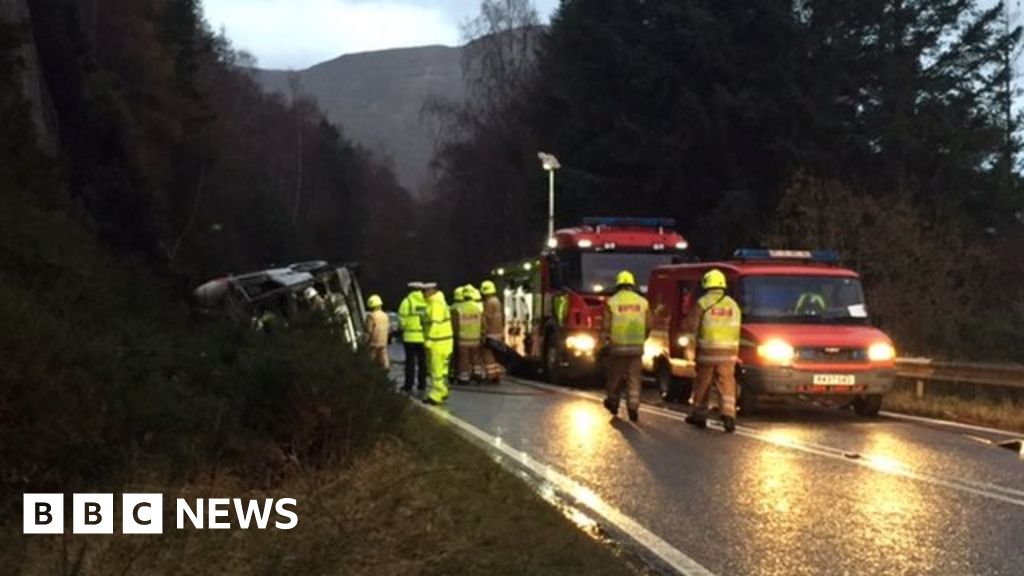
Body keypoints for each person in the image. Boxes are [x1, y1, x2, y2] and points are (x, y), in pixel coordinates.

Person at [683, 269, 742, 433]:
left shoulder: (702, 303)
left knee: (703, 383)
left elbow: (691, 326)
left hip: (707, 352)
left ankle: (699, 415)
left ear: (706, 284)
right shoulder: (733, 305)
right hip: (729, 353)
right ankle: (729, 415)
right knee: (727, 383)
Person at [601, 270, 651, 423]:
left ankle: (613, 401)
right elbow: (649, 324)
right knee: (634, 378)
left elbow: (606, 326)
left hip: (617, 346)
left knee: (615, 376)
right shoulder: (643, 302)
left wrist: (605, 341)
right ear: (632, 285)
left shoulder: (612, 302)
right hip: (636, 347)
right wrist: (643, 338)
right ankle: (633, 407)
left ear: (618, 286)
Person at [422, 283, 454, 405]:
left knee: (436, 370)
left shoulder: (435, 304)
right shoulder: (441, 302)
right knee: (443, 370)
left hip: (438, 342)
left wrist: (429, 340)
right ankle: (443, 390)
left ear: (431, 291)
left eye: (425, 291)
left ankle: (436, 394)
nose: (423, 294)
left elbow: (435, 323)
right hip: (445, 341)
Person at [397, 282, 429, 395]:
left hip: (409, 337)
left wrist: (403, 328)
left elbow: (402, 320)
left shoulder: (406, 302)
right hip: (423, 337)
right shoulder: (426, 302)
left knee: (410, 362)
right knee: (422, 362)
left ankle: (408, 385)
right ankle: (422, 384)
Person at [456, 285, 484, 385]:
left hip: (463, 339)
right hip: (476, 338)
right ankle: (478, 374)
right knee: (476, 358)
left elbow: (456, 324)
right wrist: (482, 334)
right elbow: (483, 323)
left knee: (464, 359)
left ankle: (464, 378)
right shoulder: (478, 308)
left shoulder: (459, 308)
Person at [480, 280, 505, 384]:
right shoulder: (497, 301)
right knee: (496, 356)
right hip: (498, 332)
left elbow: (487, 318)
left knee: (488, 355)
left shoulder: (488, 303)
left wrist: (483, 332)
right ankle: (497, 374)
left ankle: (491, 376)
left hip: (490, 333)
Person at [364, 294, 390, 369]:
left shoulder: (371, 316)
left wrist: (364, 342)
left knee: (371, 360)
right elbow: (388, 329)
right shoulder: (385, 316)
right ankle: (385, 370)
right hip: (383, 342)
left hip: (373, 342)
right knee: (384, 359)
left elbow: (369, 330)